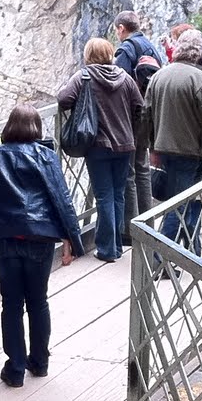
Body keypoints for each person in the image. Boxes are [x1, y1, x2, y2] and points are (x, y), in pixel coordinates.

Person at [0, 104, 85, 387]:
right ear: (37, 129)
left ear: (9, 126)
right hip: (40, 237)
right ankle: (40, 362)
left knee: (11, 303)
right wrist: (72, 241)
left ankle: (16, 367)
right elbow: (62, 199)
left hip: (5, 236)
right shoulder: (46, 156)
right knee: (38, 301)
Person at [57, 37, 143, 263]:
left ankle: (107, 249)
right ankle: (116, 245)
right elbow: (139, 106)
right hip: (125, 144)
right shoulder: (125, 78)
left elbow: (64, 99)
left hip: (98, 145)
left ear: (88, 55)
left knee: (104, 196)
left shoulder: (84, 76)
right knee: (118, 194)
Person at [145, 29, 202, 248]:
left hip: (162, 147)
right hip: (190, 149)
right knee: (179, 206)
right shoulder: (199, 78)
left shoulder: (159, 75)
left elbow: (145, 114)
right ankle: (160, 257)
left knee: (182, 202)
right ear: (200, 52)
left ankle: (191, 248)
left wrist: (151, 147)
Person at [113, 10, 159, 229]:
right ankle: (147, 223)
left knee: (129, 171)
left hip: (131, 116)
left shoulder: (126, 49)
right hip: (148, 113)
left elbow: (118, 83)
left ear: (122, 28)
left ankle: (130, 228)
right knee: (142, 167)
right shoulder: (151, 47)